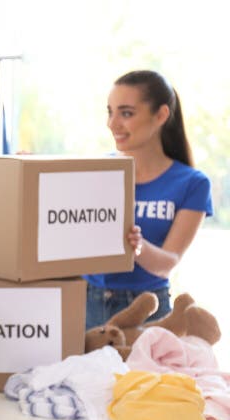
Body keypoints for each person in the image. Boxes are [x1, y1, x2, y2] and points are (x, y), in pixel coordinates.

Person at [84, 70, 212, 329]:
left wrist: (137, 246)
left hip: (148, 310)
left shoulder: (192, 183)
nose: (113, 123)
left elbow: (169, 262)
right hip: (87, 303)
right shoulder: (96, 171)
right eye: (110, 112)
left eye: (126, 113)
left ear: (161, 115)